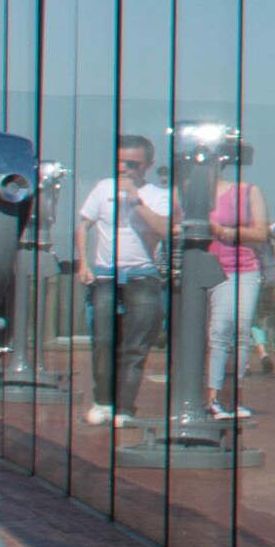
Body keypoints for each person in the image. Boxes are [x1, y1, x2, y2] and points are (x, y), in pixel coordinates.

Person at [75, 137, 163, 424]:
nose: (125, 170)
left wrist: (136, 201)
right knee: (103, 340)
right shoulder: (103, 189)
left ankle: (124, 407)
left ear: (147, 165)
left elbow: (164, 230)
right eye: (121, 163)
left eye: (133, 164)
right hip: (106, 276)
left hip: (142, 277)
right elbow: (84, 224)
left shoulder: (158, 195)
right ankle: (103, 401)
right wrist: (83, 264)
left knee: (135, 346)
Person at [200, 168, 267, 418]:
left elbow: (261, 233)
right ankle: (213, 397)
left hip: (240, 269)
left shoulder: (247, 192)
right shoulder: (182, 194)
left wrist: (222, 231)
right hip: (199, 268)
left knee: (233, 331)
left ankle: (225, 397)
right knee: (212, 334)